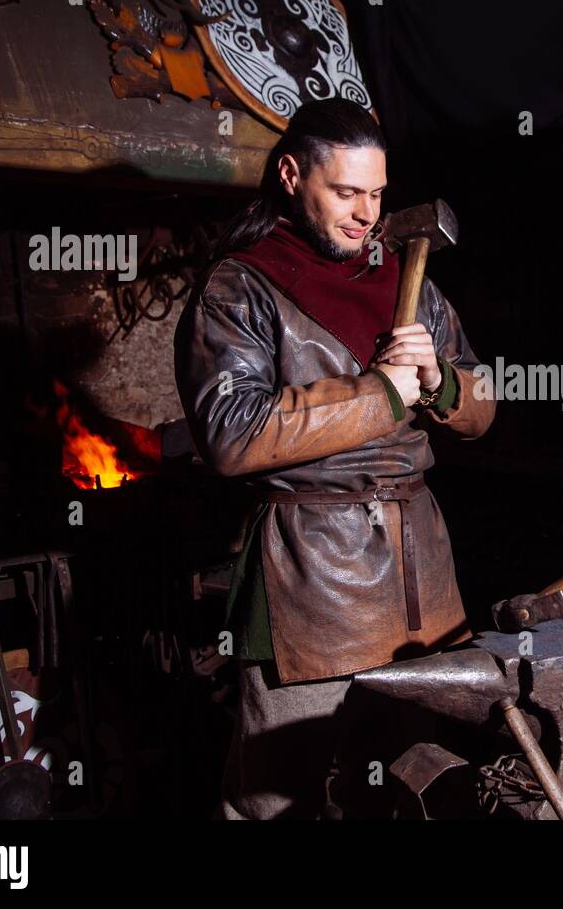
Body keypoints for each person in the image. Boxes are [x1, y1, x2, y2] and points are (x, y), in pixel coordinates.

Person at [174, 99, 495, 819]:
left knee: (407, 784)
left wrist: (439, 381)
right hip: (311, 575)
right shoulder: (241, 286)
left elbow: (482, 409)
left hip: (420, 576)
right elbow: (231, 432)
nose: (365, 213)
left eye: (377, 194)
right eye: (345, 192)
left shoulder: (408, 278)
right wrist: (379, 392)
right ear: (291, 175)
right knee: (277, 794)